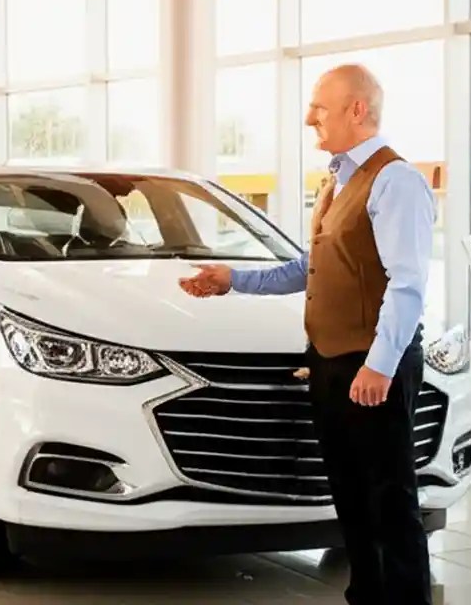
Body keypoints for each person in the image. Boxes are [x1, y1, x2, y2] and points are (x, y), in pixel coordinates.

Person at [179, 64, 436, 605]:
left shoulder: (395, 181)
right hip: (330, 362)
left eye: (319, 106)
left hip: (372, 366)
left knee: (390, 500)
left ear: (356, 109)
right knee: (351, 495)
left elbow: (407, 284)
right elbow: (310, 268)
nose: (308, 118)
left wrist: (379, 366)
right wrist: (233, 280)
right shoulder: (336, 180)